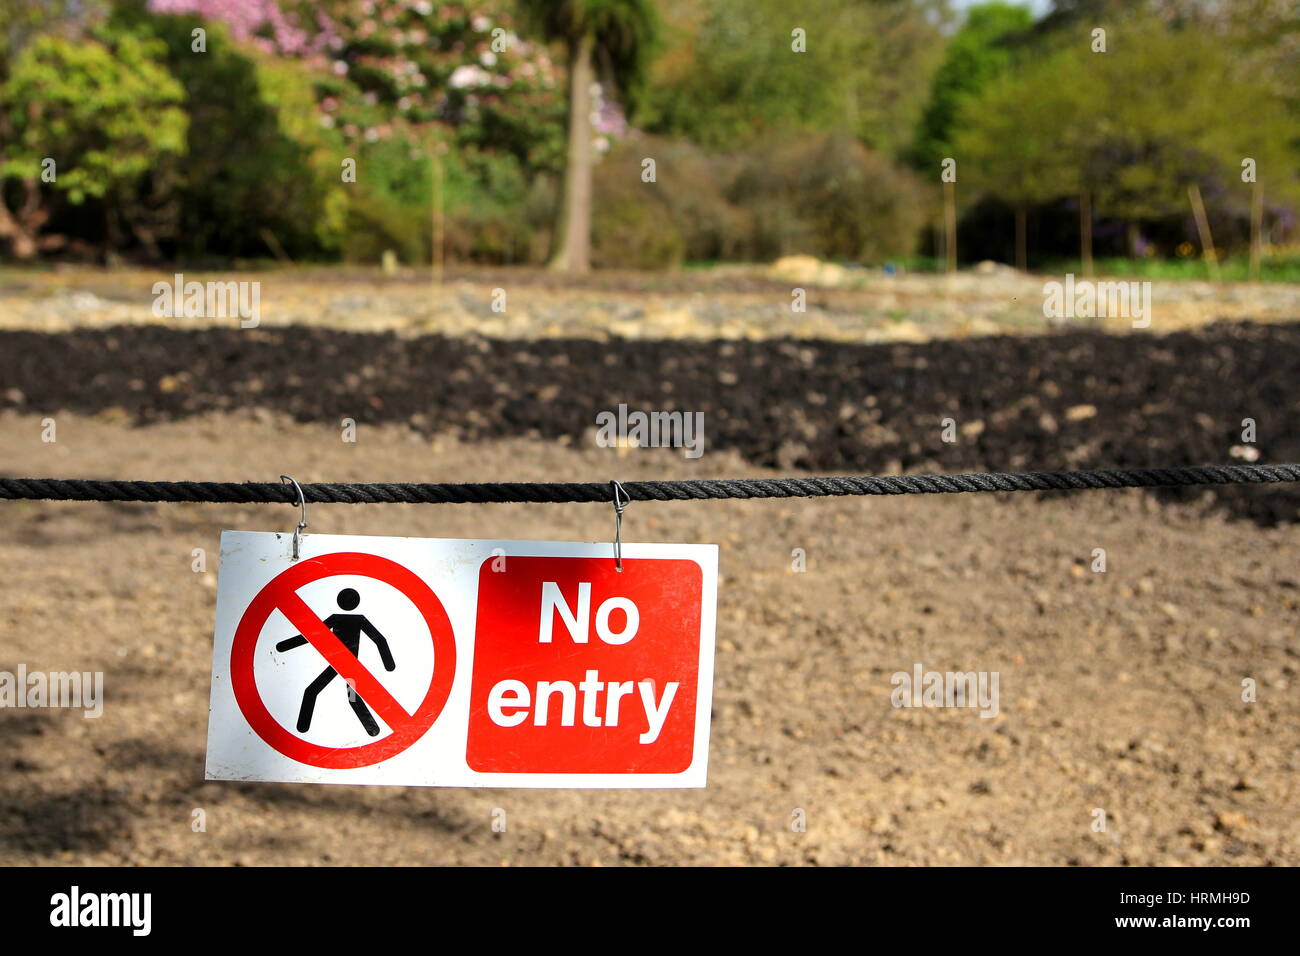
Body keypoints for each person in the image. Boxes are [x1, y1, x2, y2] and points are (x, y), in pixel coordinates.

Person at [275, 588, 396, 736]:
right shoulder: (356, 619)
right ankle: (372, 729)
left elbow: (310, 634)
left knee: (315, 691)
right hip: (343, 666)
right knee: (350, 697)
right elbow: (380, 640)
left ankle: (372, 729)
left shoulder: (343, 618)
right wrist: (388, 664)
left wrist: (284, 646)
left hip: (346, 666)